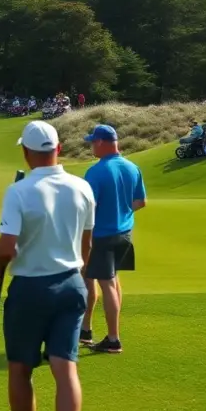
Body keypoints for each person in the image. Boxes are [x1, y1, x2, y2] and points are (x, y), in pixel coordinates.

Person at [0, 120, 95, 411]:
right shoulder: (82, 187)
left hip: (30, 288)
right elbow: (86, 246)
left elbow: (7, 248)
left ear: (26, 153)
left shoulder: (19, 191)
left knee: (21, 369)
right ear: (58, 149)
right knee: (66, 370)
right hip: (71, 284)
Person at [81, 124, 146, 354]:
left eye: (92, 142)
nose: (91, 146)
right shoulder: (132, 167)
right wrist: (120, 211)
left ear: (100, 142)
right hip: (124, 234)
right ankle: (88, 331)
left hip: (102, 235)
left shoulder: (96, 172)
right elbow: (140, 202)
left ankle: (113, 338)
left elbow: (88, 208)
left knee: (104, 283)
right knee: (113, 279)